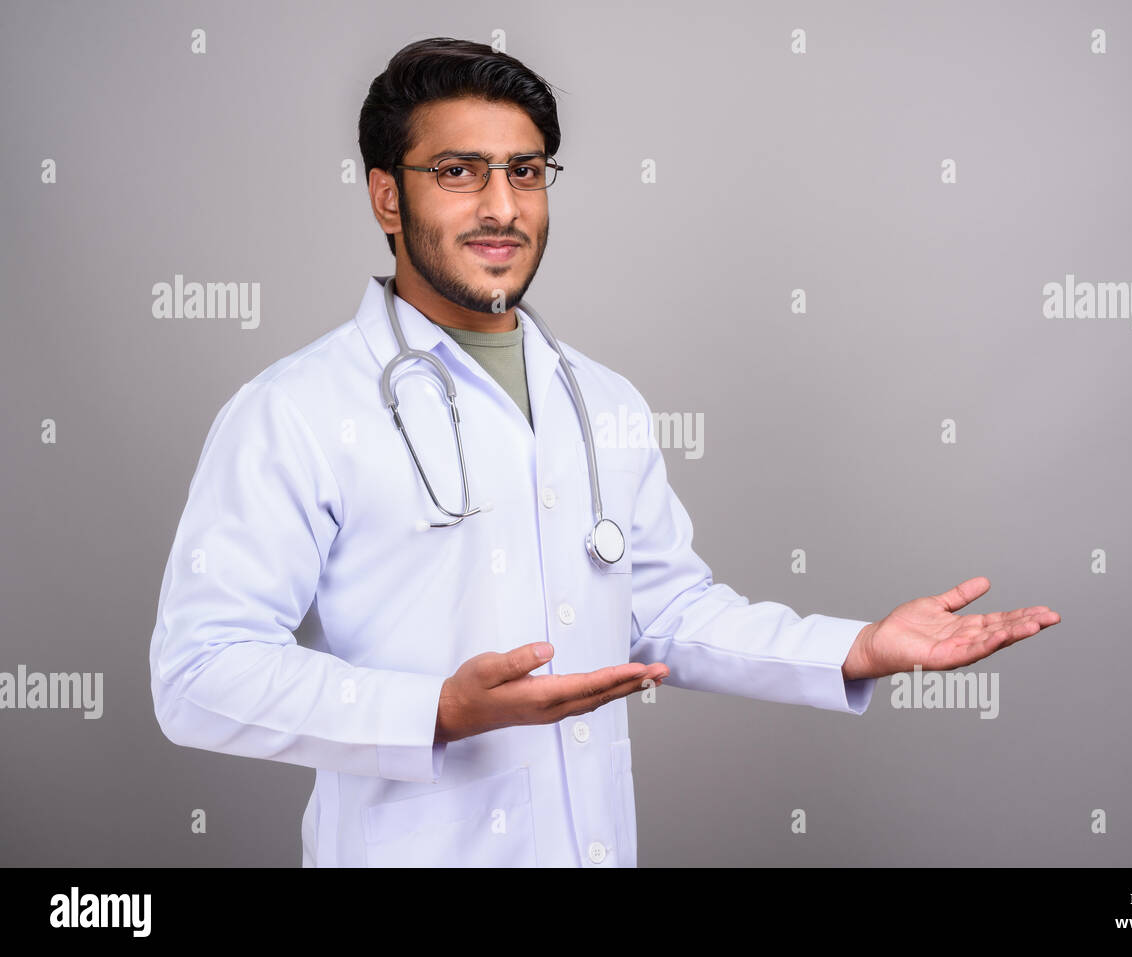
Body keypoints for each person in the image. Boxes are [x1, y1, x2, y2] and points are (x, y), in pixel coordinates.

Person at [148, 37, 1061, 868]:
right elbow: (198, 672)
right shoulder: (295, 409)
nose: (502, 207)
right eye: (460, 171)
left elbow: (663, 608)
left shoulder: (599, 400)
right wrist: (436, 711)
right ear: (388, 193)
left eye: (527, 171)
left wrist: (856, 648)